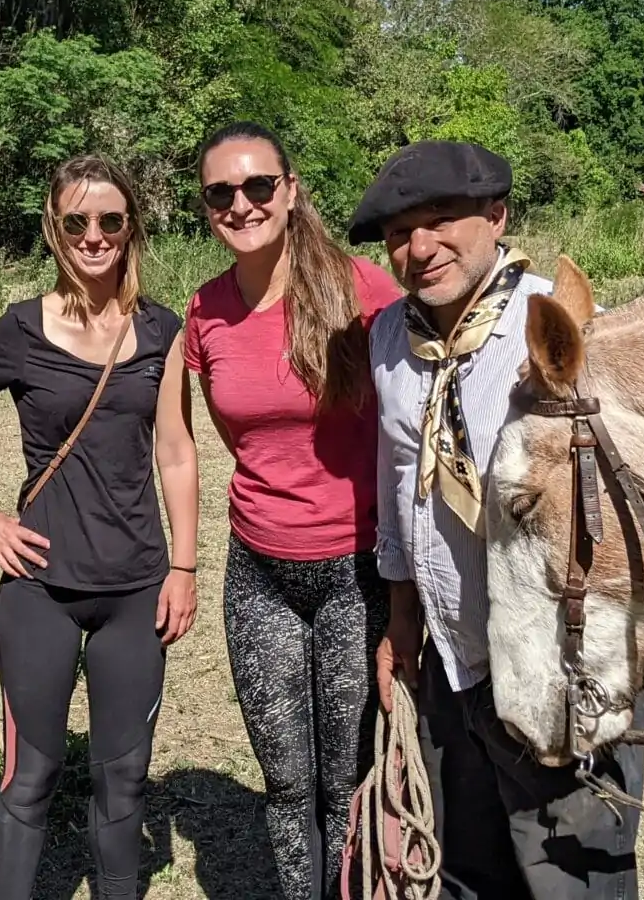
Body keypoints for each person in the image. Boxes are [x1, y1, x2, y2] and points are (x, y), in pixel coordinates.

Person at [355, 141, 644, 900]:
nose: (419, 249)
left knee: (571, 883)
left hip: (562, 666)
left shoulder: (571, 333)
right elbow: (402, 488)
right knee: (467, 875)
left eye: (441, 220)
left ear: (496, 216)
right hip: (456, 659)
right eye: (398, 233)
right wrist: (402, 621)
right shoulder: (391, 340)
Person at [0, 155, 200, 900]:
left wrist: (184, 567)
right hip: (39, 589)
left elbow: (176, 450)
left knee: (124, 780)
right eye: (77, 221)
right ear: (53, 228)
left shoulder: (162, 330)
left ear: (131, 227)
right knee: (32, 775)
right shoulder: (20, 329)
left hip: (137, 589)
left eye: (110, 220)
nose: (95, 235)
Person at [182, 122, 404, 900]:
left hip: (356, 571)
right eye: (220, 192)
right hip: (259, 571)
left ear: (290, 190)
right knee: (284, 781)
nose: (240, 204)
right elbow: (236, 436)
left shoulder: (363, 291)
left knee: (348, 778)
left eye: (257, 186)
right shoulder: (206, 309)